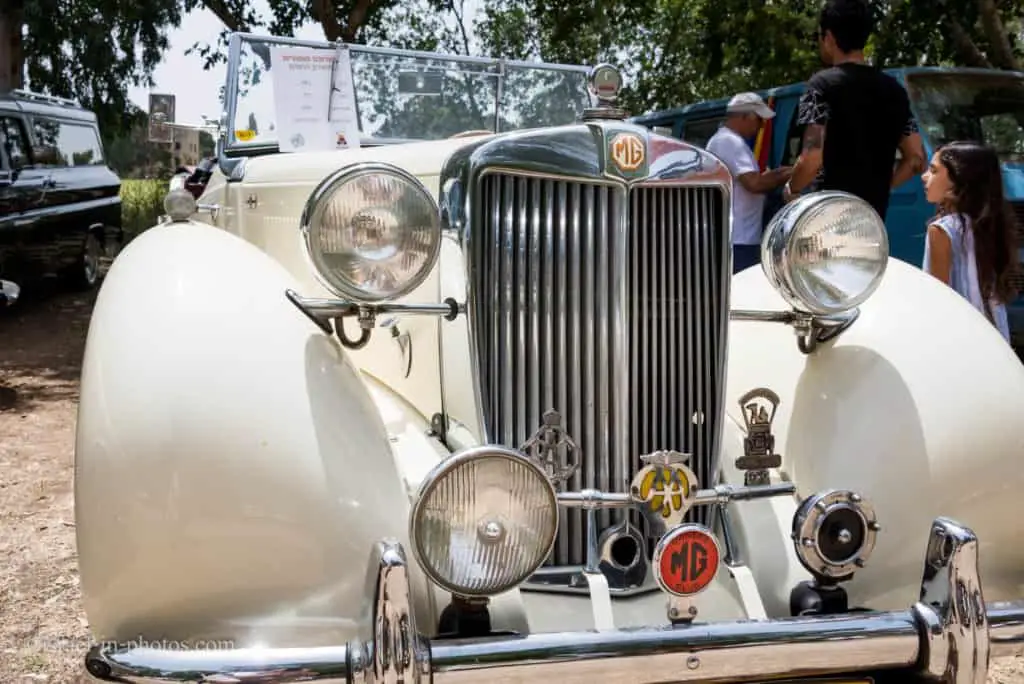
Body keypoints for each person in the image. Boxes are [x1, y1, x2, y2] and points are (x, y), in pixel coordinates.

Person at [784, 0, 926, 222]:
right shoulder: (895, 90)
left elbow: (812, 155)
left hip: (827, 222)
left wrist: (792, 188)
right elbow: (916, 158)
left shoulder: (820, 86)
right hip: (872, 222)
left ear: (829, 38)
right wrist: (882, 187)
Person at [921, 141, 1019, 343]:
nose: (924, 176)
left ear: (956, 184)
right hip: (995, 335)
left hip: (960, 337)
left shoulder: (941, 230)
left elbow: (938, 295)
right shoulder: (989, 225)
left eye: (933, 171)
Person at [706, 93, 793, 273]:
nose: (761, 126)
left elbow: (754, 178)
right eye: (759, 120)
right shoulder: (729, 142)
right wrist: (791, 173)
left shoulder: (726, 140)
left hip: (737, 237)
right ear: (746, 116)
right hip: (738, 239)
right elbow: (754, 184)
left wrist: (789, 170)